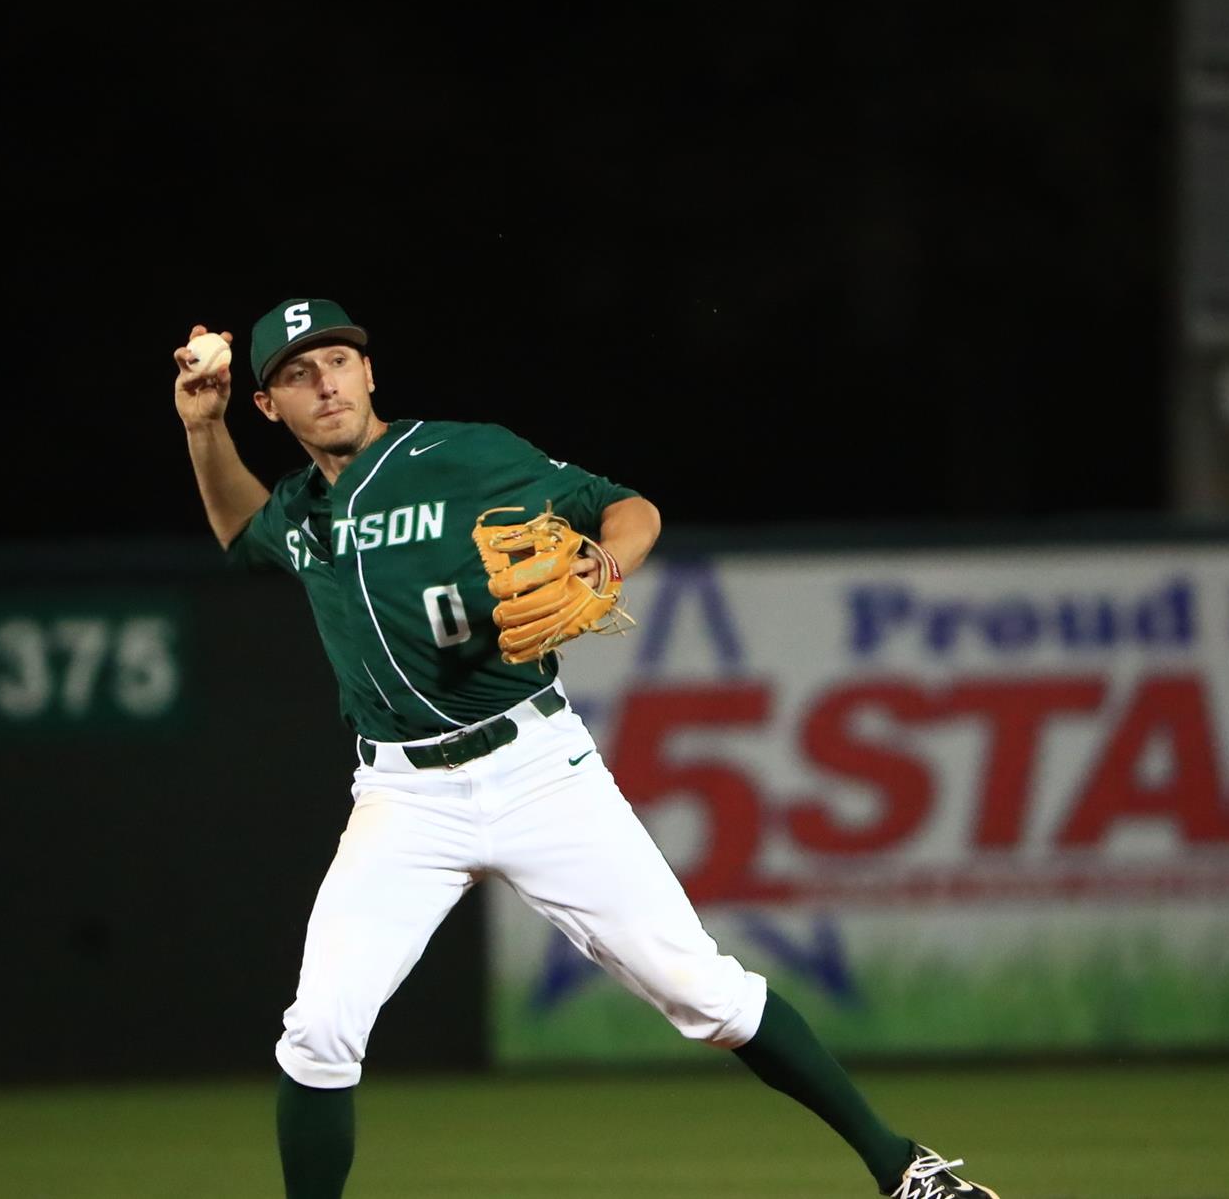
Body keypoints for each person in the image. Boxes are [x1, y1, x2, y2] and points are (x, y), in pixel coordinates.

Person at [173, 298, 999, 1199]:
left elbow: (625, 507)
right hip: (402, 800)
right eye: (297, 372)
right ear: (269, 406)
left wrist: (604, 564)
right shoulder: (300, 511)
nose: (324, 380)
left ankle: (904, 1167)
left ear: (371, 372)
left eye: (337, 359)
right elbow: (239, 533)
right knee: (320, 1029)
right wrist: (203, 427)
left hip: (536, 772)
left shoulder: (466, 452)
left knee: (705, 993)